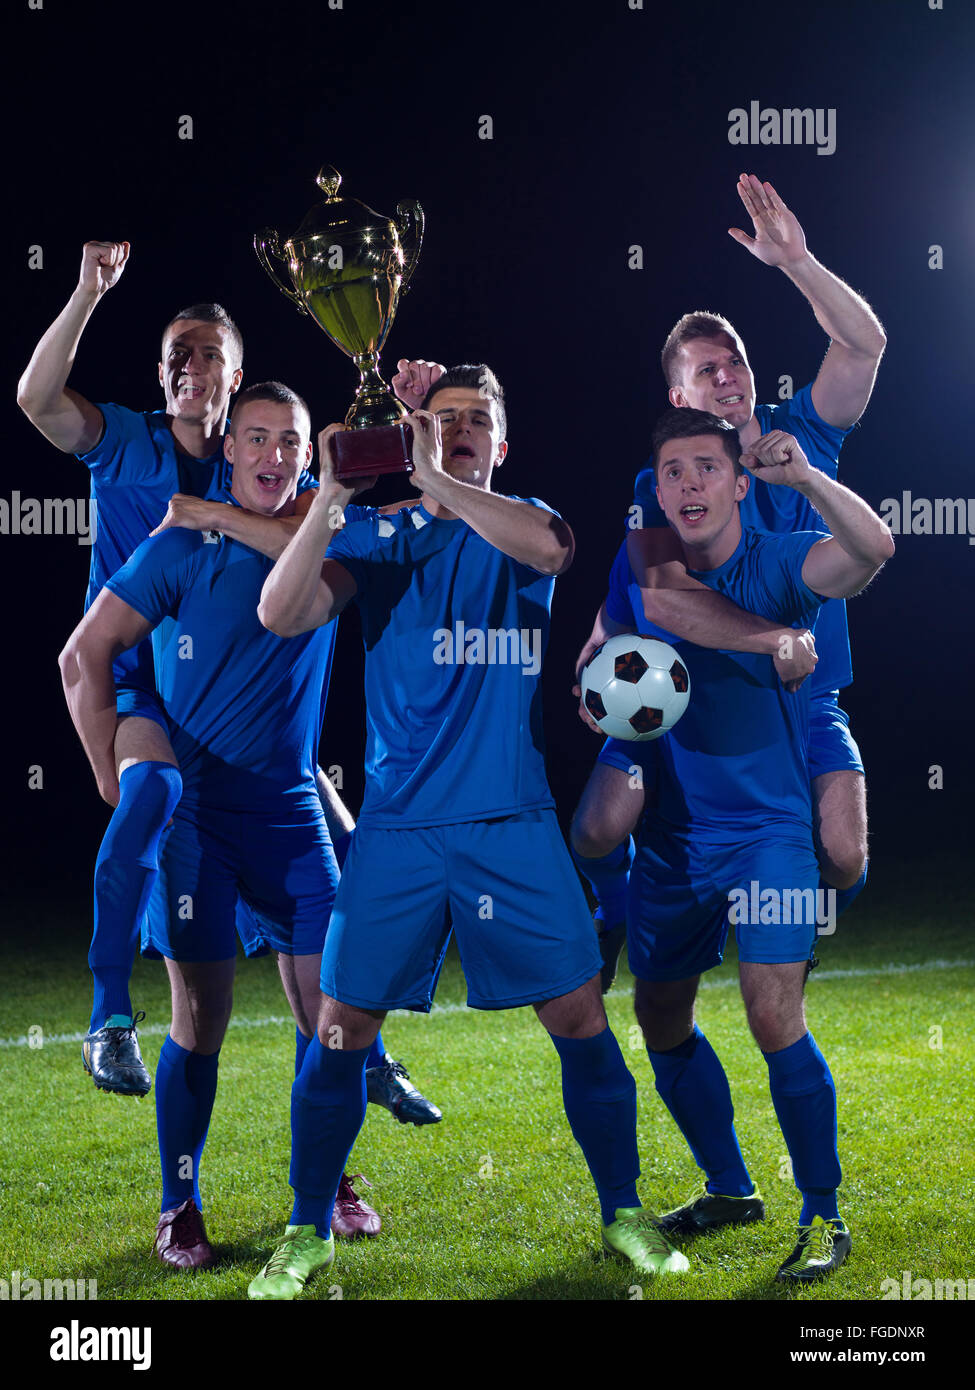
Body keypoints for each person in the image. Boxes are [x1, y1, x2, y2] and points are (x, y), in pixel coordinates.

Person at [247, 365, 691, 1299]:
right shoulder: (380, 536)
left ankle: (622, 1215)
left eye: (475, 420)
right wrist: (329, 491)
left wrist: (439, 480)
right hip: (399, 829)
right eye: (440, 419)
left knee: (579, 1018)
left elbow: (555, 552)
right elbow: (278, 612)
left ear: (500, 441)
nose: (456, 431)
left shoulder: (520, 519)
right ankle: (305, 1228)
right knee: (339, 1031)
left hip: (510, 820)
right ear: (416, 428)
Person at [58, 382, 420, 1263]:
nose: (271, 456)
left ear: (308, 455)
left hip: (290, 812)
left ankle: (324, 1184)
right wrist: (112, 771)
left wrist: (407, 415)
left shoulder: (332, 538)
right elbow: (84, 651)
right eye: (254, 439)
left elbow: (412, 503)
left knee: (332, 1017)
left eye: (288, 442)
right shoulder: (181, 543)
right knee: (200, 1021)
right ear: (230, 450)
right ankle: (178, 1202)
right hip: (202, 821)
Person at [570, 176, 887, 989]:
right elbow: (661, 596)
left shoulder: (798, 437)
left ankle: (802, 921)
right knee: (599, 831)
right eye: (704, 371)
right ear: (677, 396)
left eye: (734, 362)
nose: (726, 375)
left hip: (800, 700)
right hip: (684, 697)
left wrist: (798, 262)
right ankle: (612, 909)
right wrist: (601, 648)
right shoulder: (661, 487)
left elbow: (863, 346)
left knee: (845, 854)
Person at [598, 407, 893, 1281]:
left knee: (773, 1014)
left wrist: (801, 476)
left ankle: (823, 1212)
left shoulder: (778, 558)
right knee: (660, 1016)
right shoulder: (646, 562)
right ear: (655, 492)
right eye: (670, 473)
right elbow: (650, 618)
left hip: (766, 833)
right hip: (674, 838)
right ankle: (729, 1186)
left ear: (736, 482)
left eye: (703, 468)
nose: (685, 484)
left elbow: (872, 550)